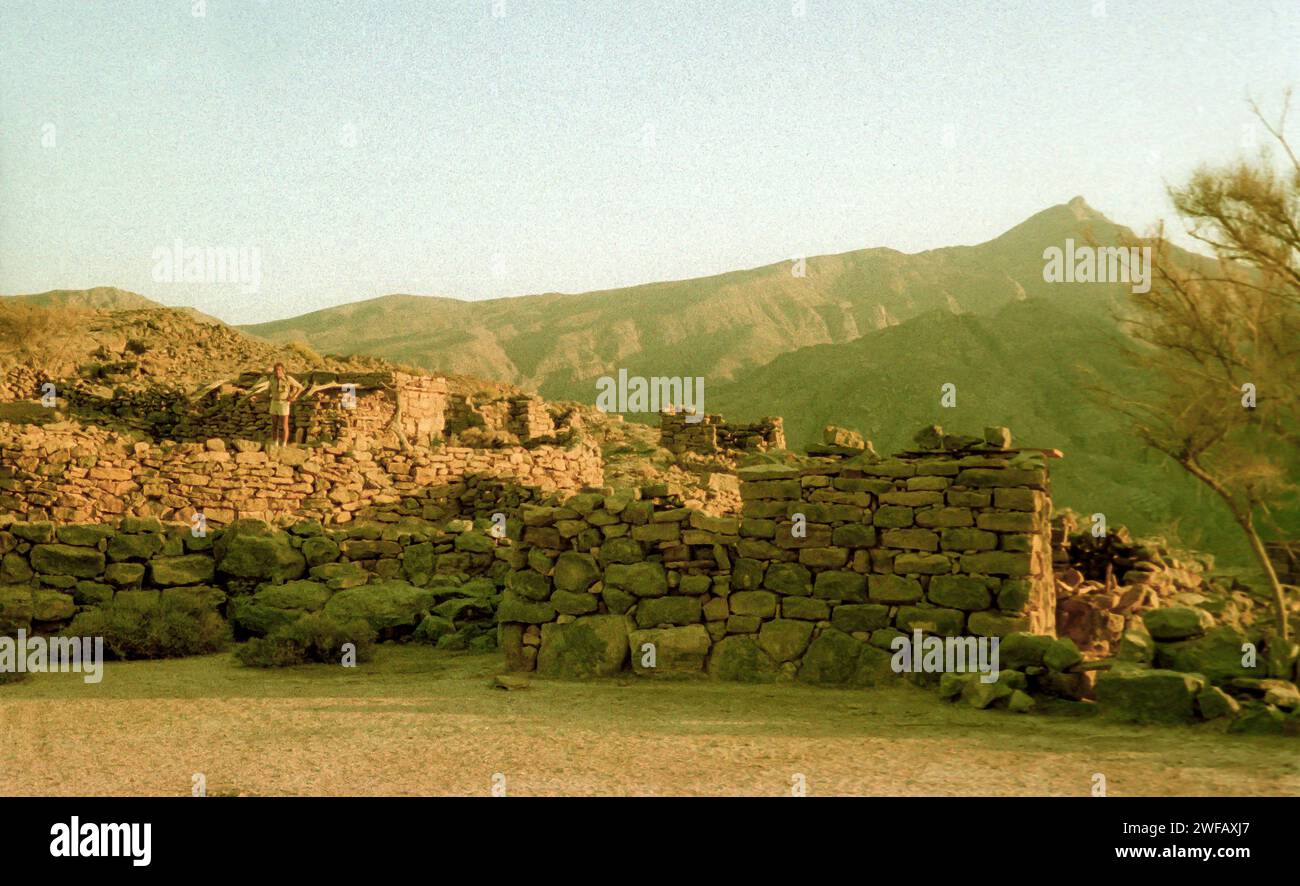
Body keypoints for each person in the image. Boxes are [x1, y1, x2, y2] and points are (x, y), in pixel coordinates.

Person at [259, 363, 304, 446]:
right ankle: (275, 442)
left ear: (283, 370)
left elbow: (300, 387)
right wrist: (263, 397)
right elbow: (269, 389)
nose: (277, 371)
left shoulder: (288, 379)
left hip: (284, 403)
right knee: (274, 424)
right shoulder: (272, 378)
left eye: (279, 369)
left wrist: (293, 397)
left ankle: (284, 444)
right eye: (276, 370)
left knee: (284, 425)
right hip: (274, 402)